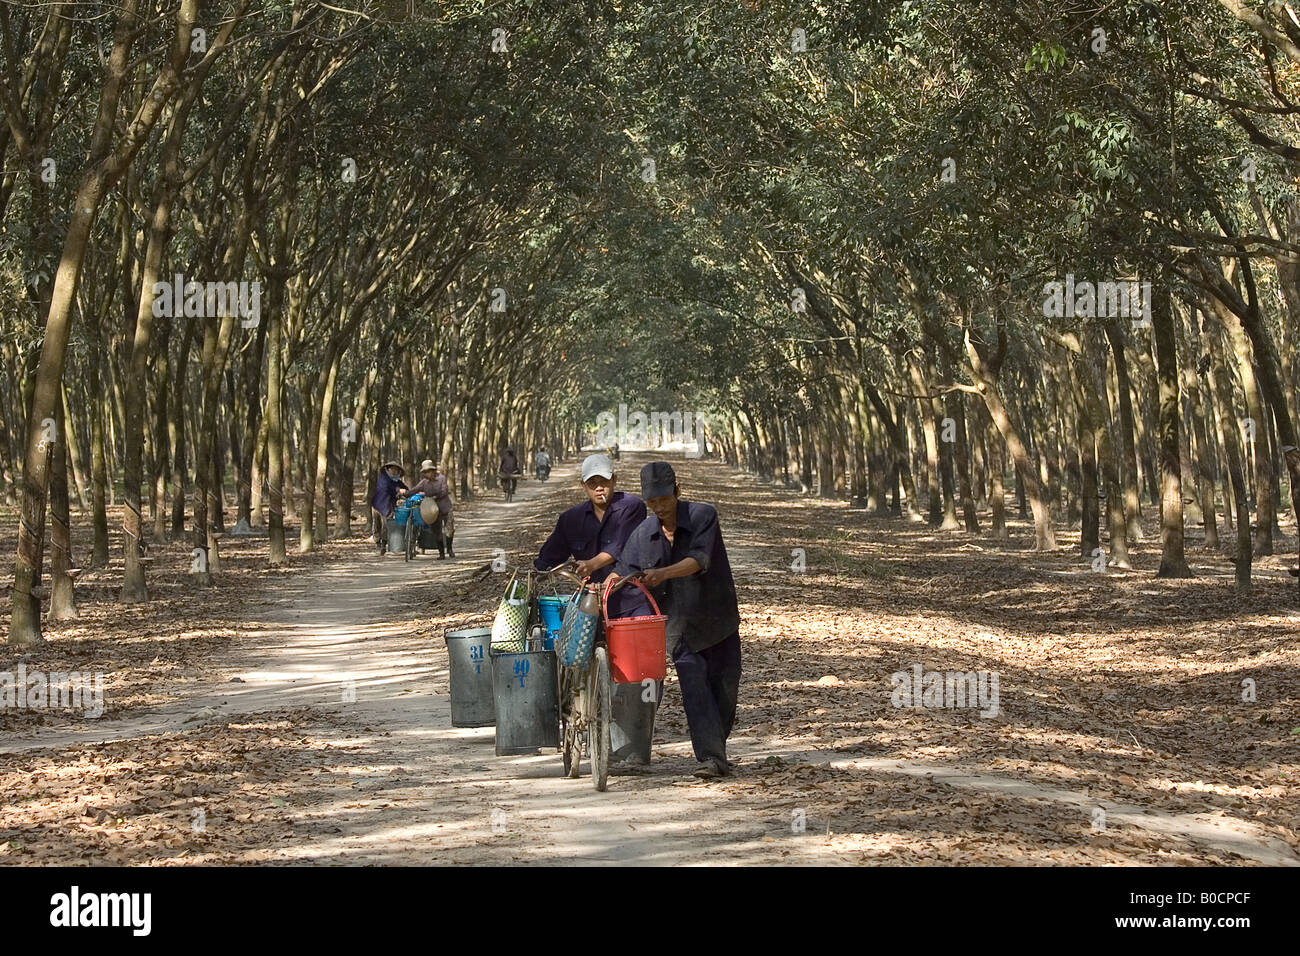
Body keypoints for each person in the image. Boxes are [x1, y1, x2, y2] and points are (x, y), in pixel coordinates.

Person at [616, 461, 740, 779]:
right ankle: (711, 758)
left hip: (718, 621)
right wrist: (607, 581)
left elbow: (699, 560)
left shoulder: (703, 515)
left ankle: (717, 748)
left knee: (724, 694)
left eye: (664, 499)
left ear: (677, 491)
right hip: (678, 630)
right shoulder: (643, 533)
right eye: (652, 502)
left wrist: (663, 573)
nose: (659, 507)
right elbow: (624, 569)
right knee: (694, 687)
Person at [534, 453, 652, 766]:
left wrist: (592, 564)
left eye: (604, 482)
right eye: (592, 484)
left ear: (614, 480)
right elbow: (550, 554)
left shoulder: (632, 507)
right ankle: (573, 716)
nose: (599, 489)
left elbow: (622, 548)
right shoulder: (571, 519)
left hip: (627, 598)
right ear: (584, 486)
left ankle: (634, 743)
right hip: (586, 599)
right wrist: (537, 571)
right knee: (569, 653)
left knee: (635, 670)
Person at [407, 459, 456, 558]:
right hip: (431, 511)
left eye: (428, 471)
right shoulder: (424, 483)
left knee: (449, 529)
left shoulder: (442, 478)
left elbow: (444, 490)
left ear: (433, 471)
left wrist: (435, 497)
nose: (427, 474)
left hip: (445, 507)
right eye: (425, 472)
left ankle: (450, 549)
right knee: (436, 531)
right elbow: (415, 489)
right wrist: (405, 494)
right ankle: (441, 553)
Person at [370, 460, 407, 544]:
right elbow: (387, 487)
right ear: (388, 469)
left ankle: (383, 544)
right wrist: (398, 490)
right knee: (377, 525)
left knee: (386, 525)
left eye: (396, 470)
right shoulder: (383, 478)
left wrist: (408, 492)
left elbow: (405, 488)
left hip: (388, 505)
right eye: (392, 469)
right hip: (378, 504)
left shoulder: (397, 481)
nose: (393, 471)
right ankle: (378, 543)